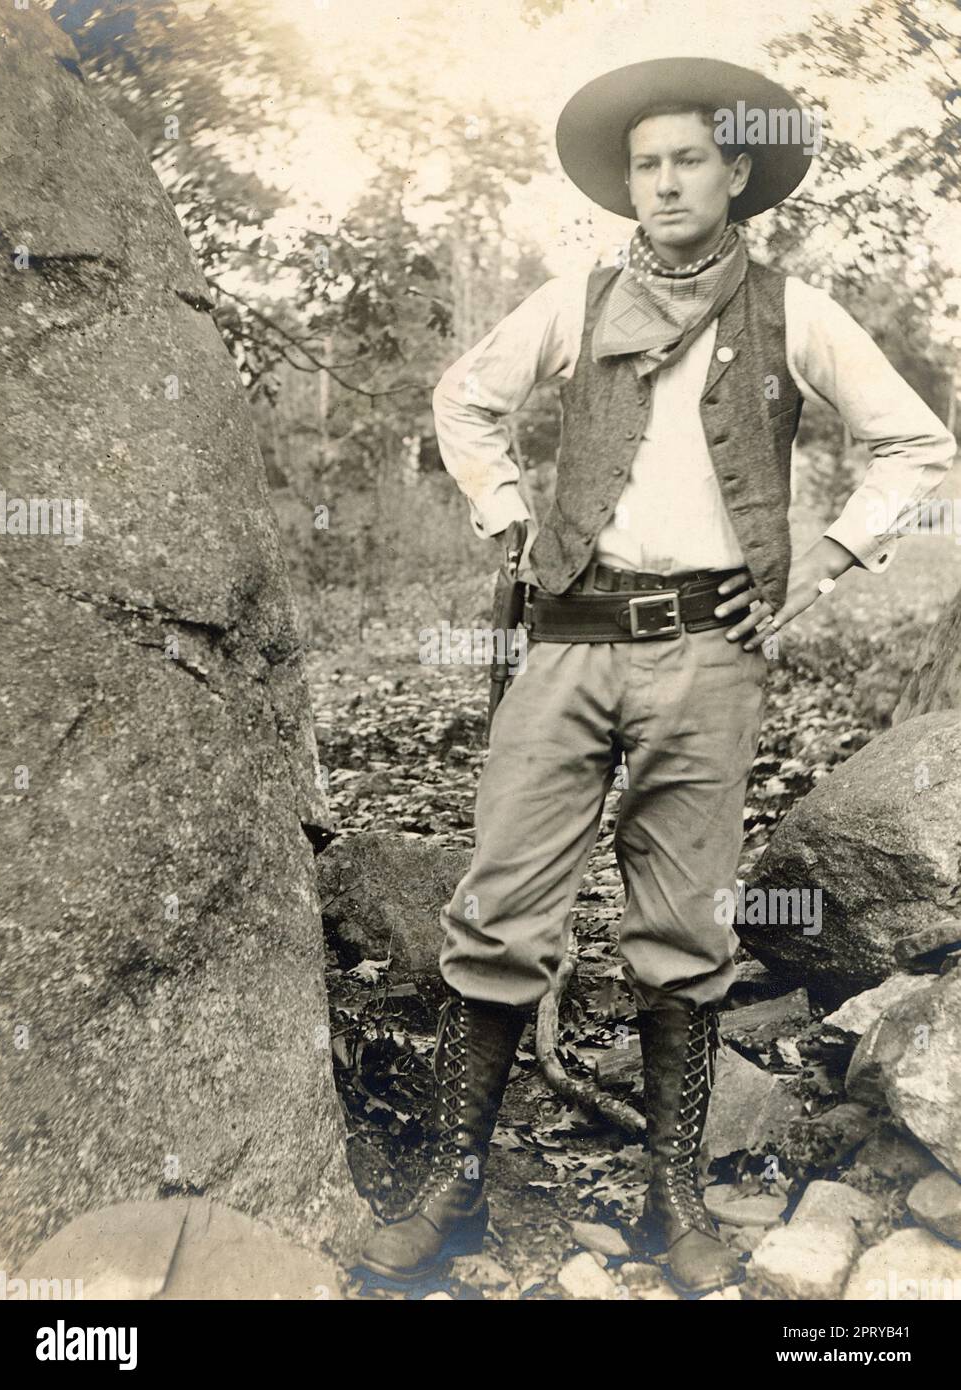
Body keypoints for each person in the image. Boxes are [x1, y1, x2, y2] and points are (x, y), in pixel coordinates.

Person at [357, 56, 955, 1294]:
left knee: (682, 925)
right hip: (567, 635)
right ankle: (453, 1188)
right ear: (627, 183)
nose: (667, 182)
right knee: (502, 904)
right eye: (647, 163)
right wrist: (508, 515)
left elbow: (915, 442)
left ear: (737, 174)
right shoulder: (574, 303)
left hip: (708, 653)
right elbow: (465, 399)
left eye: (691, 159)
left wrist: (827, 558)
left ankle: (670, 1196)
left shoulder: (796, 312)